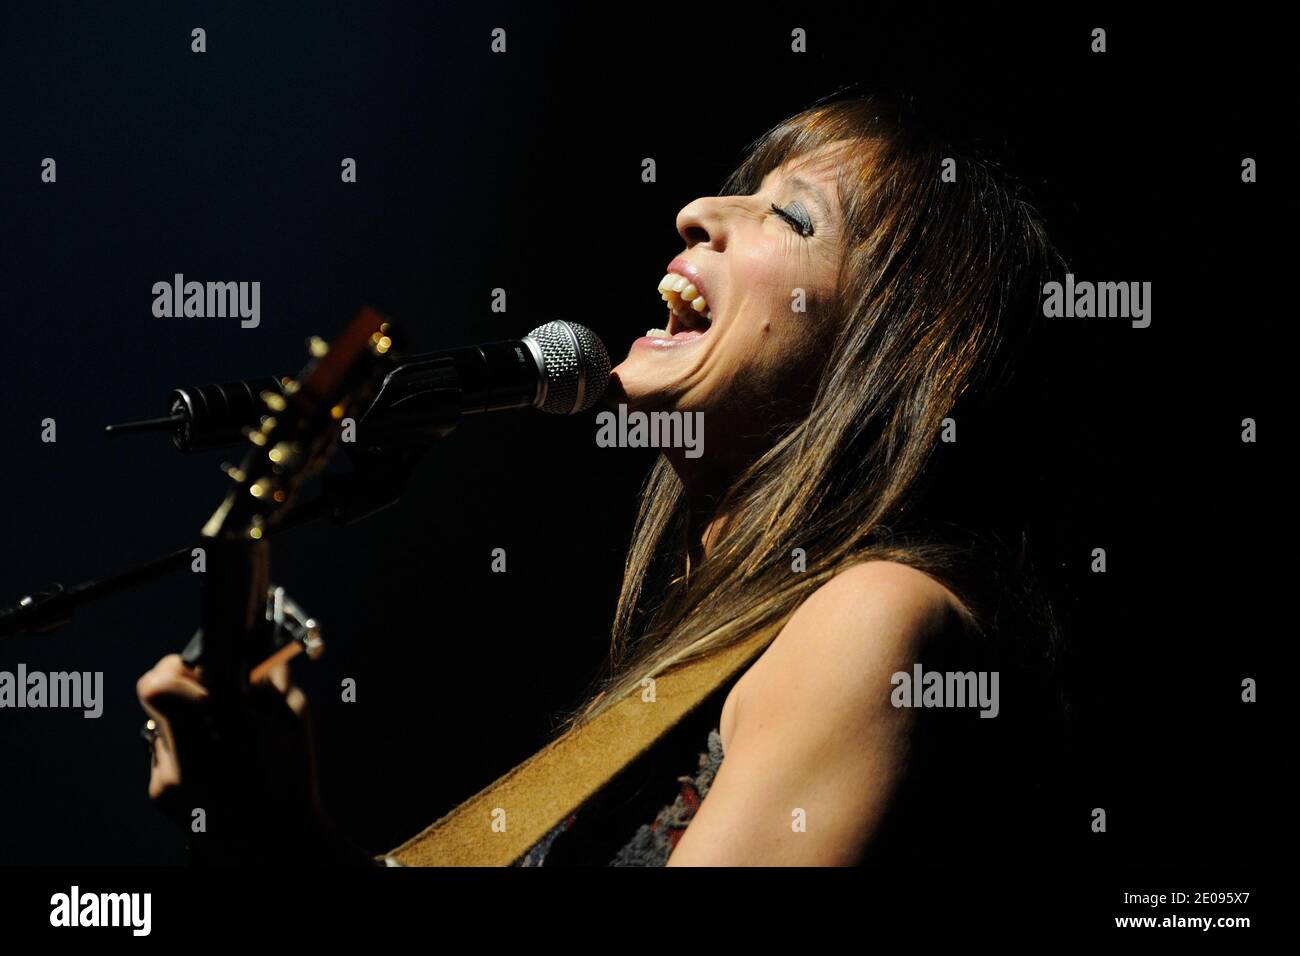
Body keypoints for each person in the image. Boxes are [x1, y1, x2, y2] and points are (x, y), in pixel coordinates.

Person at [137, 94, 1068, 867]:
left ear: (898, 365)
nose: (698, 209)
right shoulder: (730, 643)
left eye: (791, 215)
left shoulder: (876, 616)